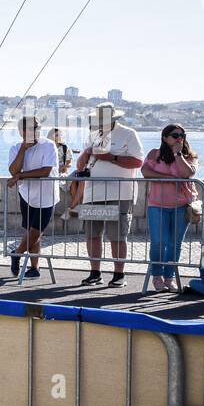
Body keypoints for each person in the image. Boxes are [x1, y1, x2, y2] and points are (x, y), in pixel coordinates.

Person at [76, 102, 144, 288]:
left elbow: (138, 162)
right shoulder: (92, 135)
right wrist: (87, 153)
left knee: (117, 236)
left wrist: (111, 157)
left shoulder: (128, 134)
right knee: (92, 234)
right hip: (93, 193)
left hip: (120, 193)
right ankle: (95, 273)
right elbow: (80, 166)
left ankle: (119, 274)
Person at [141, 124, 198, 292]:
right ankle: (157, 276)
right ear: (165, 138)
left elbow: (186, 173)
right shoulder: (154, 154)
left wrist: (177, 154)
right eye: (175, 135)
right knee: (159, 242)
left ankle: (169, 277)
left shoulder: (189, 156)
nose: (179, 138)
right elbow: (145, 171)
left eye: (182, 135)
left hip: (181, 206)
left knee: (175, 243)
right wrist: (169, 177)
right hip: (157, 205)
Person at [7, 116, 57, 279]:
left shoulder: (48, 145)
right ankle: (34, 268)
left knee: (36, 232)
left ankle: (17, 253)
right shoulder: (15, 148)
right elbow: (13, 171)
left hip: (47, 196)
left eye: (37, 127)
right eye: (31, 128)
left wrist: (20, 175)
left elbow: (45, 171)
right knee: (31, 232)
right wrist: (23, 149)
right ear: (22, 132)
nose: (35, 131)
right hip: (27, 195)